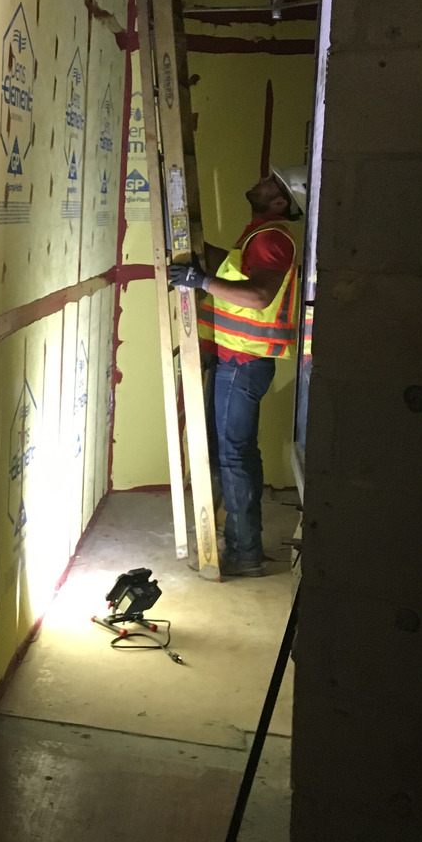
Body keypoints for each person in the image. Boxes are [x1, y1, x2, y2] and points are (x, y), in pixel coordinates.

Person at [169, 167, 306, 578]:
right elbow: (235, 271)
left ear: (279, 201)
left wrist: (201, 281)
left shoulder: (271, 239)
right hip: (236, 359)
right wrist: (195, 253)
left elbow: (259, 295)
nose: (261, 178)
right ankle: (239, 540)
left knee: (234, 455)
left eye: (270, 180)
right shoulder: (257, 235)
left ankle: (245, 551)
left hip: (244, 363)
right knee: (233, 452)